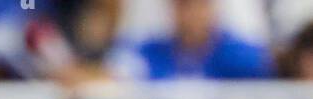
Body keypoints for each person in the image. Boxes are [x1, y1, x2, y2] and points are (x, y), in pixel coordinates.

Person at [110, 0, 273, 79]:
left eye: (200, 4)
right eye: (184, 5)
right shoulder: (150, 51)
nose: (192, 14)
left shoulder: (239, 54)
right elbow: (119, 71)